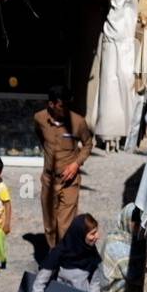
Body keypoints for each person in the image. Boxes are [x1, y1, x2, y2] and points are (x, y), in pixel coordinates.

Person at [34, 86, 94, 248]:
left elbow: (88, 145)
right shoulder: (39, 118)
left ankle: (64, 260)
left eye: (68, 105)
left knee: (65, 225)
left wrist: (76, 164)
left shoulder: (78, 122)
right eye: (62, 106)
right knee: (50, 225)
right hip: (49, 180)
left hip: (69, 181)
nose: (65, 109)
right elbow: (40, 137)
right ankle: (53, 257)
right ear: (51, 104)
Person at [100, 203, 144, 292]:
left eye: (139, 223)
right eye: (134, 222)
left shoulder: (138, 242)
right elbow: (131, 273)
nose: (137, 227)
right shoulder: (114, 243)